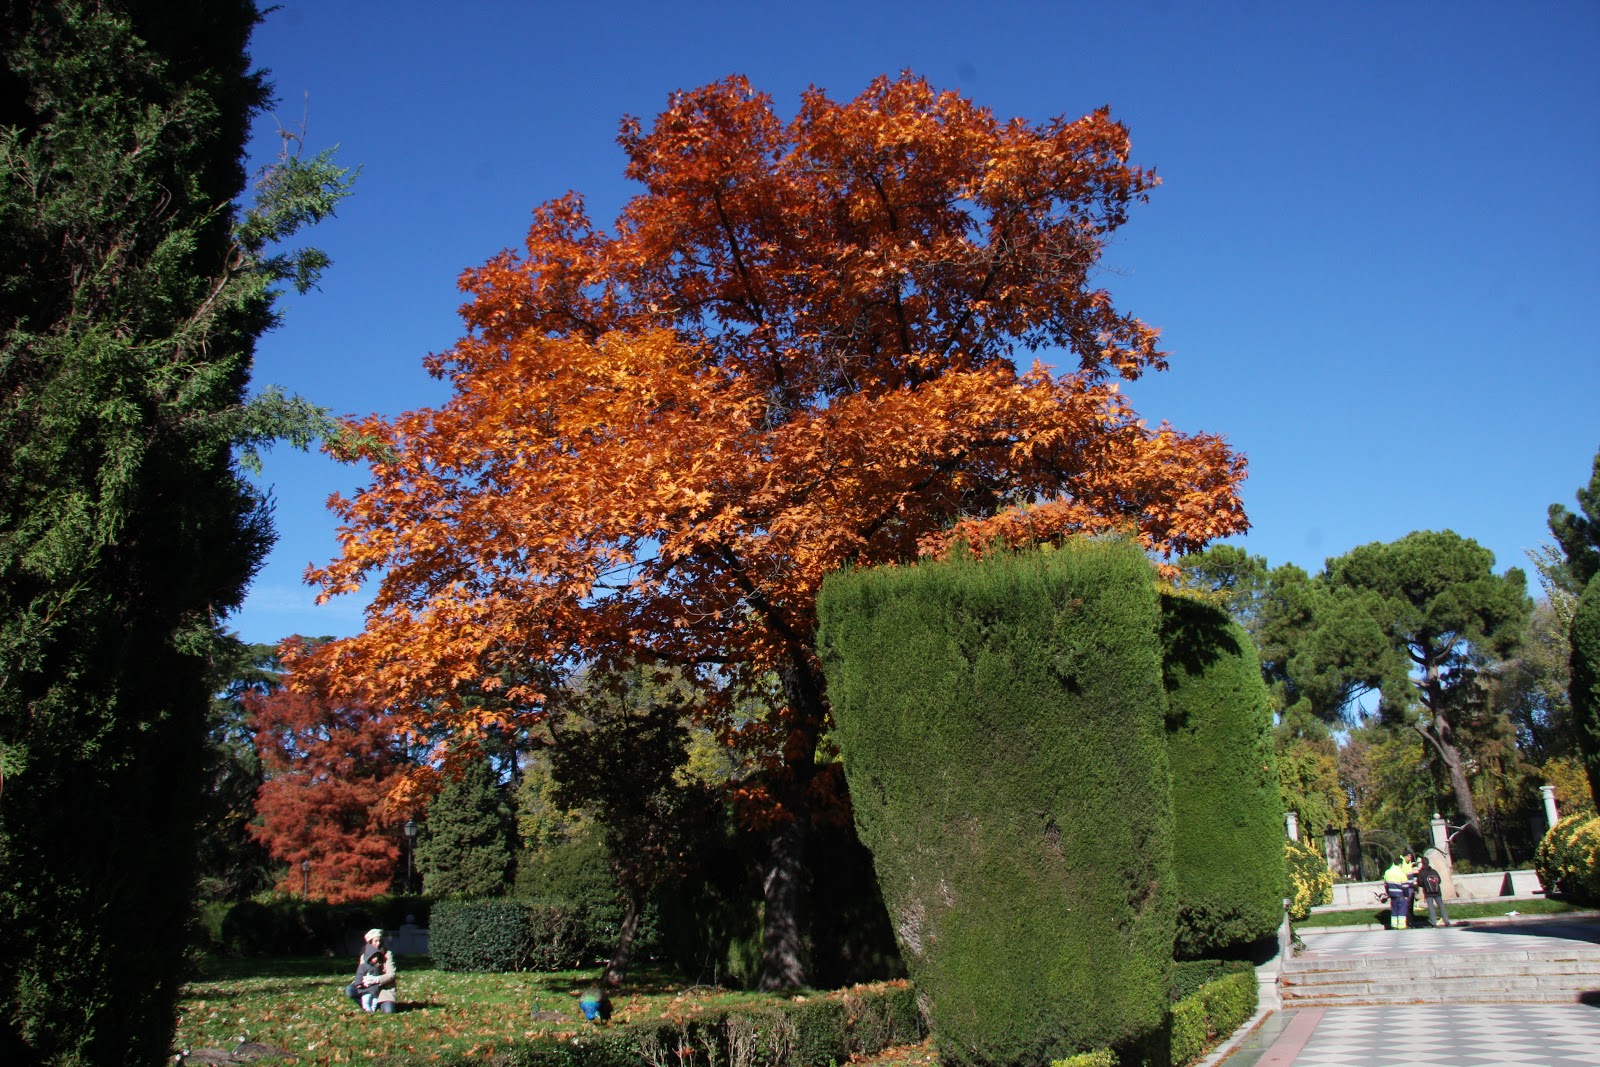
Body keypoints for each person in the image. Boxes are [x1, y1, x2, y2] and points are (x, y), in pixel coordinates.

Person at [344, 928, 398, 1013]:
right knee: (350, 990)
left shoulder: (387, 954)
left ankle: (379, 1004)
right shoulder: (363, 956)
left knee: (389, 1011)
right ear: (370, 942)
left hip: (384, 990)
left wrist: (376, 979)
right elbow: (360, 972)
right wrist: (361, 982)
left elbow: (391, 975)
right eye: (375, 941)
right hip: (368, 989)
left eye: (380, 941)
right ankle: (367, 1006)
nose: (378, 943)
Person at [1382, 853, 1420, 929]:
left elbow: (1385, 884)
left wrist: (1388, 893)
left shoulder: (1387, 872)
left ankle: (1394, 924)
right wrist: (1406, 896)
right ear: (1400, 864)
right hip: (1400, 894)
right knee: (1402, 909)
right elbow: (1405, 886)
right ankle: (1401, 925)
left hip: (1392, 894)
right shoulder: (1401, 873)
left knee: (1394, 909)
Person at [1416, 857, 1451, 927]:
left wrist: (1424, 885)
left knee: (1431, 907)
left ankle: (1433, 922)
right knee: (1441, 906)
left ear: (1422, 863)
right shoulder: (1434, 871)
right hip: (1437, 892)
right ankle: (1446, 921)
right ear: (1428, 862)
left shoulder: (1422, 872)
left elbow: (1419, 883)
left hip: (1428, 892)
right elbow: (1439, 880)